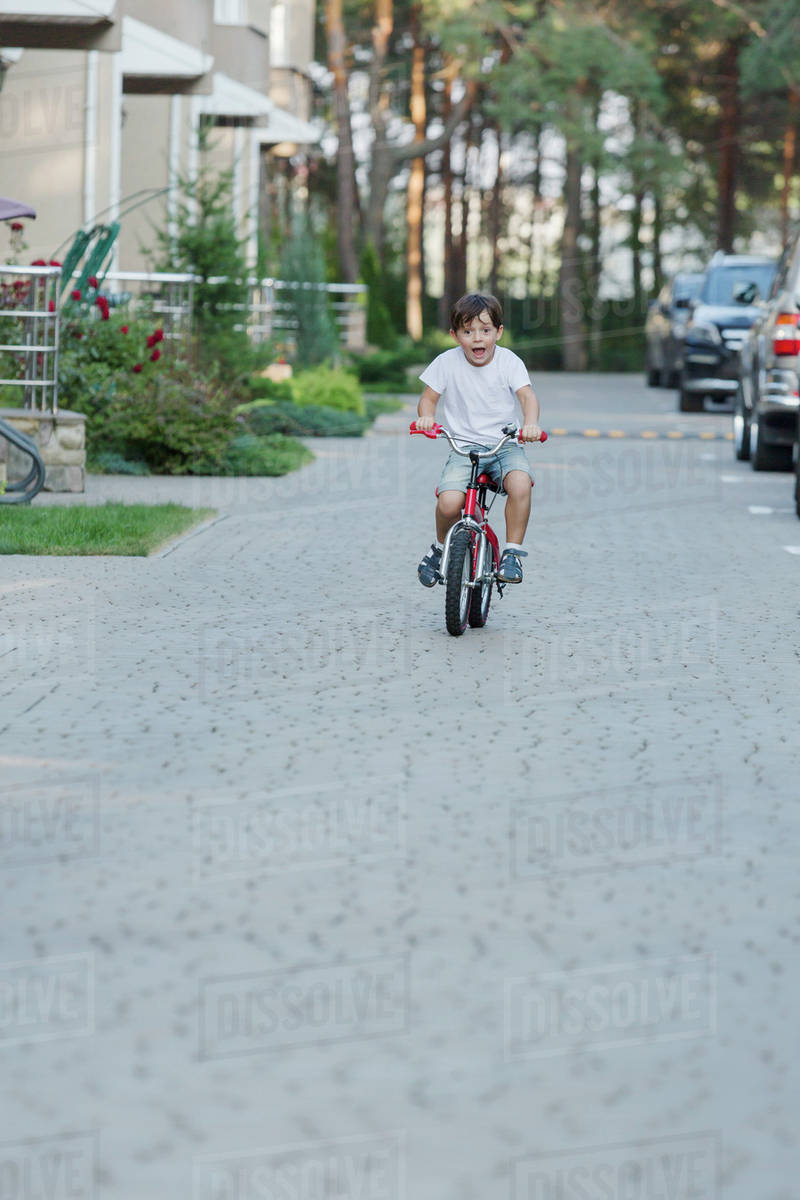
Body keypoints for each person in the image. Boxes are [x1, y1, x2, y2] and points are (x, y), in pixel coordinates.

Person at [414, 292, 542, 586]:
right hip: (463, 447)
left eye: (485, 330)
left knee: (521, 483)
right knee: (448, 503)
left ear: (499, 332)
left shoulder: (509, 362)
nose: (477, 339)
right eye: (467, 331)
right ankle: (440, 547)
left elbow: (527, 397)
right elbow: (428, 399)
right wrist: (427, 418)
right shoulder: (446, 362)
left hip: (504, 445)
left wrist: (530, 424)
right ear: (455, 335)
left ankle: (512, 553)